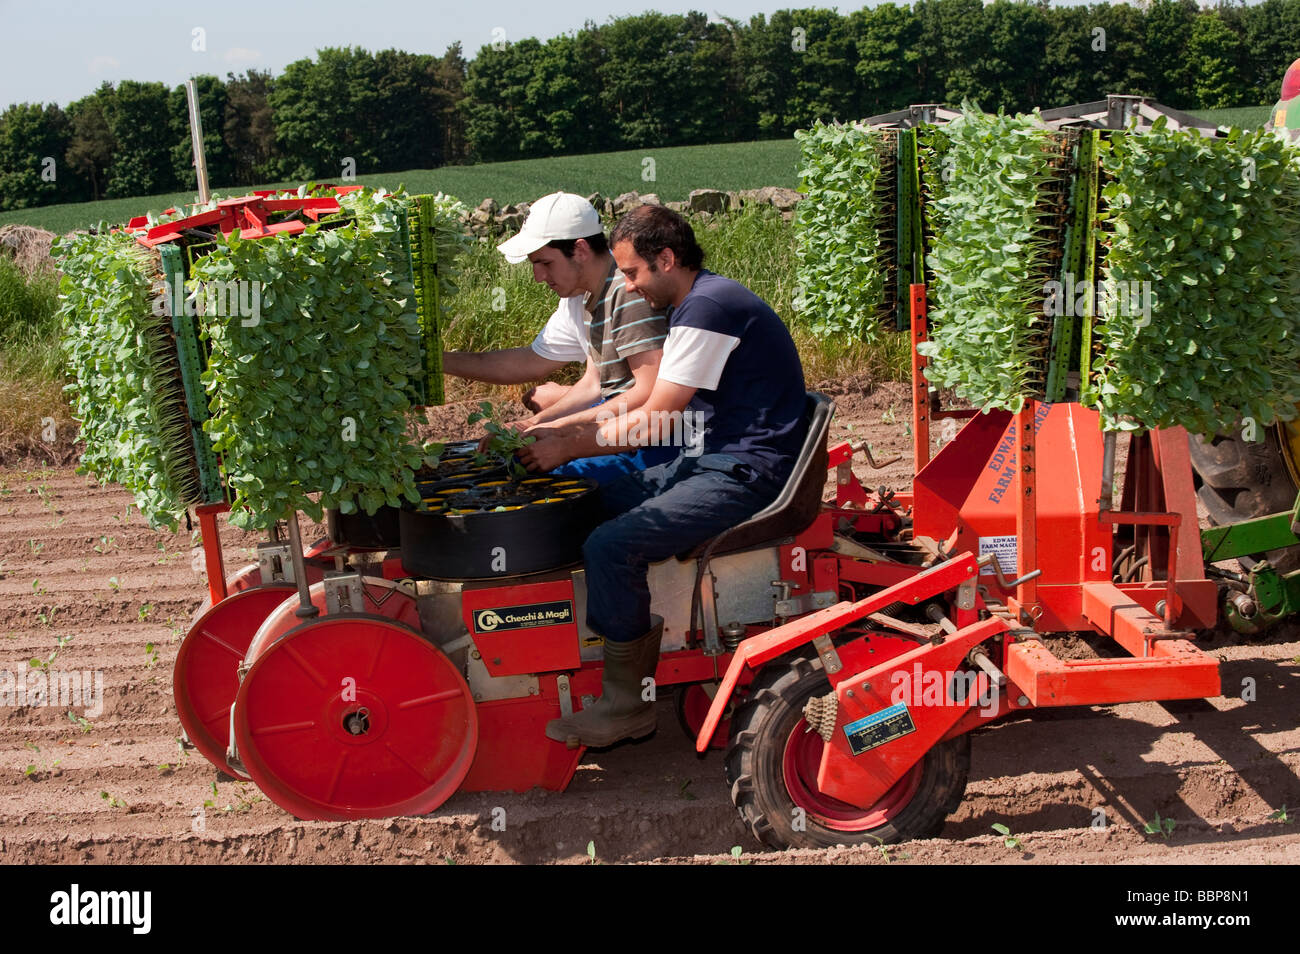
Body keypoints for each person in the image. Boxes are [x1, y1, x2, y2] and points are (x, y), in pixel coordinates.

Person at [528, 205, 808, 748]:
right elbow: (642, 407)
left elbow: (658, 416)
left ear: (667, 258)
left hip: (747, 470)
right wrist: (564, 433)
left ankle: (625, 704)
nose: (628, 287)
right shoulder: (695, 305)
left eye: (632, 273)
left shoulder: (706, 307)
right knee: (590, 500)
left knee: (612, 544)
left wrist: (569, 445)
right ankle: (591, 648)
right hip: (713, 457)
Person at [441, 192, 672, 483]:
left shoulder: (626, 295)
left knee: (535, 473)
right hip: (623, 425)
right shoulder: (585, 293)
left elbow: (649, 395)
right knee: (524, 451)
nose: (538, 276)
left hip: (650, 440)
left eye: (545, 263)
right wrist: (533, 424)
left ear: (580, 250)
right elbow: (592, 381)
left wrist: (556, 430)